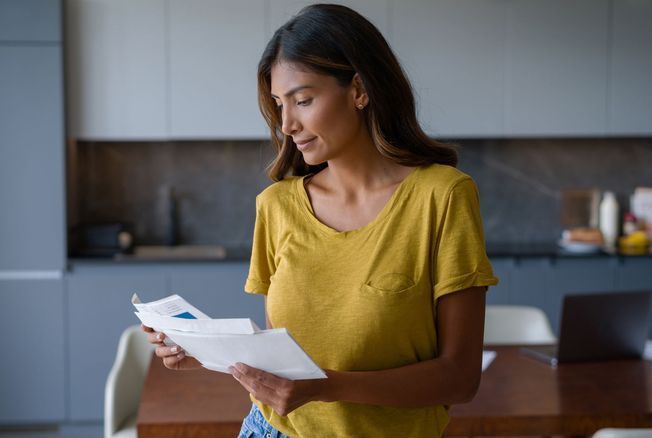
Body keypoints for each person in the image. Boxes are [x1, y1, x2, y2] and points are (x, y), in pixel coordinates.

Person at [143, 4, 498, 437]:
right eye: (278, 104)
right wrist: (204, 352)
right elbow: (283, 358)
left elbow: (460, 379)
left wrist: (326, 387)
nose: (287, 124)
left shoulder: (442, 197)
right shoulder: (276, 206)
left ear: (359, 90)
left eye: (303, 100)